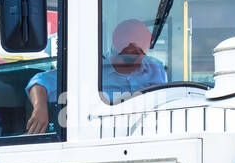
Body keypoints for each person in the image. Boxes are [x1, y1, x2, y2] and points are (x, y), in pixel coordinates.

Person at [25, 18, 168, 134]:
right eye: (129, 50)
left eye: (140, 51)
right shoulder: (90, 67)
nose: (135, 56)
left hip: (147, 135)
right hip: (100, 137)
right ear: (115, 43)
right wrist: (39, 108)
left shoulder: (156, 69)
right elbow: (40, 81)